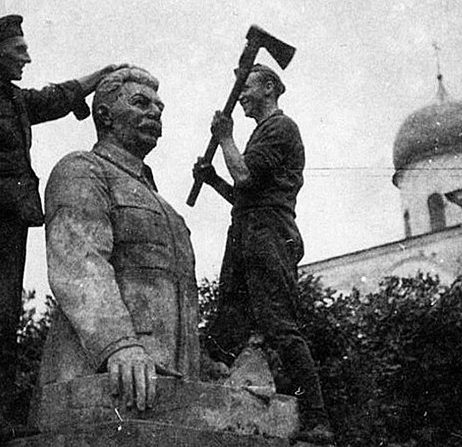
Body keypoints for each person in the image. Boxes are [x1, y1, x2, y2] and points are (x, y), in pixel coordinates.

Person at [0, 14, 117, 445]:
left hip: (9, 220)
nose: (27, 58)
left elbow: (52, 99)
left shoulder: (11, 99)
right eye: (19, 51)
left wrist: (96, 78)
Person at [39, 66, 199, 414]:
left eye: (159, 107)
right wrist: (118, 344)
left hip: (164, 386)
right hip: (101, 380)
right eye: (141, 103)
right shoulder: (82, 169)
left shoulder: (166, 208)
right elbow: (80, 262)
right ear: (105, 115)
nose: (154, 112)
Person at [192, 63, 333, 445]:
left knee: (280, 325)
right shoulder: (261, 135)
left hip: (270, 234)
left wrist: (224, 139)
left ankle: (317, 420)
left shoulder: (280, 129)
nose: (240, 96)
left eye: (247, 87)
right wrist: (212, 180)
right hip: (249, 230)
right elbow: (244, 195)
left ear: (269, 88)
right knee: (228, 322)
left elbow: (246, 178)